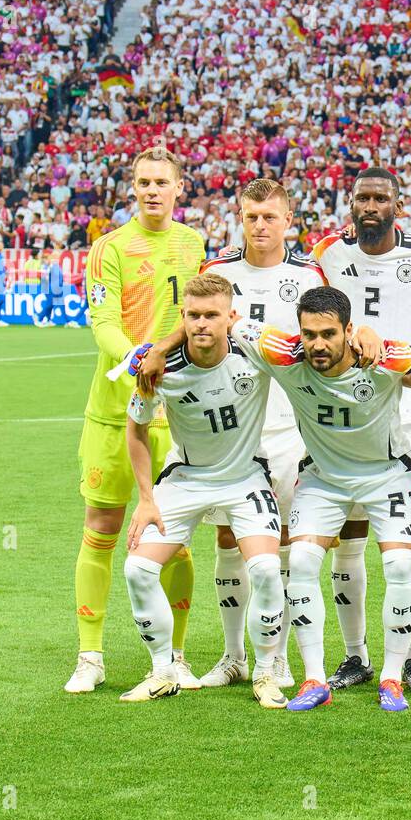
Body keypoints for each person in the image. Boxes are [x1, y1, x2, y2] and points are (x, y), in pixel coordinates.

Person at [232, 285, 411, 712]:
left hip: (387, 475)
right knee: (301, 561)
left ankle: (392, 678)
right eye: (309, 334)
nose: (318, 344)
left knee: (400, 564)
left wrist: (379, 337)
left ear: (348, 330)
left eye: (328, 333)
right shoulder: (286, 358)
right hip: (324, 479)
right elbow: (226, 318)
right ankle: (313, 678)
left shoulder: (382, 361)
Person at [310, 167, 411, 695]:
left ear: (397, 206)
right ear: (351, 205)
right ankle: (355, 656)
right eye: (362, 198)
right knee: (348, 536)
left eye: (381, 198)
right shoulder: (329, 253)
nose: (371, 205)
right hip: (350, 411)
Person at [64, 147, 205, 696]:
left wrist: (164, 367)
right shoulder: (109, 248)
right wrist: (138, 364)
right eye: (143, 182)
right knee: (100, 527)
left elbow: (200, 314)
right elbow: (101, 320)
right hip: (113, 407)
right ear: (134, 188)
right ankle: (90, 655)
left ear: (177, 188)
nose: (151, 190)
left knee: (174, 536)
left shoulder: (194, 245)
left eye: (161, 182)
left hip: (176, 410)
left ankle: (177, 655)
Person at [119, 276, 288, 708]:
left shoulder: (255, 355)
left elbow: (305, 358)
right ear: (183, 319)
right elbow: (136, 431)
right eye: (193, 315)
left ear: (232, 318)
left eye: (212, 315)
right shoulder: (159, 369)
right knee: (138, 570)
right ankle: (163, 670)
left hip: (246, 476)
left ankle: (266, 672)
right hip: (186, 478)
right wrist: (146, 498)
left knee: (267, 569)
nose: (201, 324)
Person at [192, 178, 327, 691]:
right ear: (240, 217)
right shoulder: (217, 271)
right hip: (231, 431)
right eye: (251, 216)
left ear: (288, 220)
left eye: (270, 216)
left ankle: (281, 657)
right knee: (229, 537)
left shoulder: (308, 273)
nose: (260, 226)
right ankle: (233, 656)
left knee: (286, 544)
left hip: (290, 426)